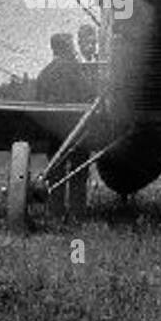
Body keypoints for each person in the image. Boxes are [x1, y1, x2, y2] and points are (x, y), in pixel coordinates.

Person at [35, 32, 93, 216]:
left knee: (55, 172)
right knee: (78, 172)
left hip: (54, 131)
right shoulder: (75, 70)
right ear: (66, 47)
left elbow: (39, 102)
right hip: (77, 130)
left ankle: (55, 212)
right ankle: (77, 213)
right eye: (72, 44)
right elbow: (87, 94)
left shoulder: (44, 73)